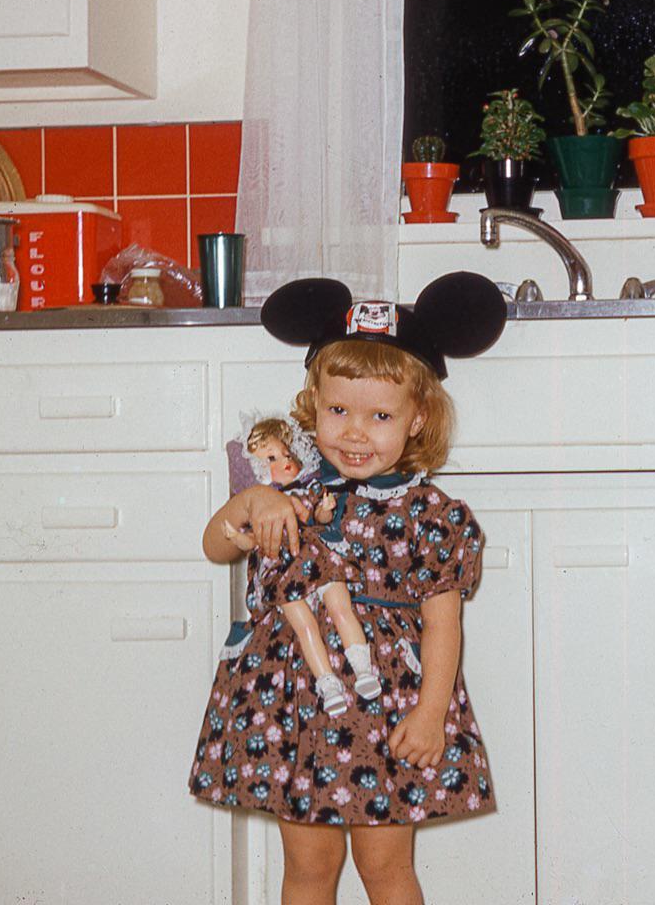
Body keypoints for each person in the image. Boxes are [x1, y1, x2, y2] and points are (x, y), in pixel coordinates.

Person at [188, 272, 506, 905]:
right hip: (296, 711)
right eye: (338, 411)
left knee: (386, 870)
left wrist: (432, 713)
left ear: (418, 420)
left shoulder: (431, 514)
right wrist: (249, 502)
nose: (355, 432)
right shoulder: (291, 499)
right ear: (313, 406)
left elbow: (444, 623)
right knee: (307, 871)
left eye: (380, 416)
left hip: (387, 712)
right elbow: (217, 547)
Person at [223, 416, 382, 716]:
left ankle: (363, 670)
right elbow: (252, 541)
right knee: (304, 624)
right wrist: (236, 536)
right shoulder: (263, 508)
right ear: (254, 472)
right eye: (271, 458)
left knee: (340, 606)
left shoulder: (305, 491)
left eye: (286, 454)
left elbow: (316, 520)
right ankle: (327, 682)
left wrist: (323, 511)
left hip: (319, 561)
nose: (284, 461)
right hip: (284, 575)